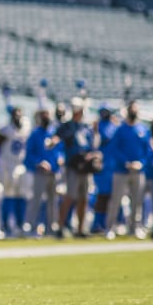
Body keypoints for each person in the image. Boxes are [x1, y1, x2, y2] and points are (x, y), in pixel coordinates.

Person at [105, 101, 152, 240]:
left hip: (138, 171)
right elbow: (114, 149)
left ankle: (135, 227)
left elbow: (147, 150)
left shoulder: (143, 129)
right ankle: (110, 227)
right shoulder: (121, 129)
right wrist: (126, 162)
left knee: (137, 201)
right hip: (121, 170)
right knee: (116, 200)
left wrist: (141, 163)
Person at [57, 100, 97, 238]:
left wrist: (91, 155)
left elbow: (90, 145)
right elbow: (61, 139)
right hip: (73, 166)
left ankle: (80, 229)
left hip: (85, 167)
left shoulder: (85, 127)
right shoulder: (67, 126)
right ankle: (60, 226)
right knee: (70, 196)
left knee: (83, 198)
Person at [23, 110, 63, 238]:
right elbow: (28, 155)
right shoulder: (35, 134)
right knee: (37, 200)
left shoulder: (53, 133)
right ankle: (31, 226)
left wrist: (60, 159)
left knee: (53, 201)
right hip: (40, 173)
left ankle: (51, 227)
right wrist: (39, 163)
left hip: (53, 172)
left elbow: (60, 150)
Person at [0, 103, 29, 237]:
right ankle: (6, 225)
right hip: (7, 164)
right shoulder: (5, 130)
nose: (18, 117)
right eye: (16, 114)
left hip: (21, 164)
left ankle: (20, 224)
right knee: (8, 193)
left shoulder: (25, 127)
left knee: (21, 194)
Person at [91, 103, 120, 235]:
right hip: (102, 167)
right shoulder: (97, 127)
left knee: (113, 196)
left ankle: (111, 223)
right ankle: (98, 223)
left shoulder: (115, 126)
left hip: (113, 165)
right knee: (101, 195)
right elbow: (94, 145)